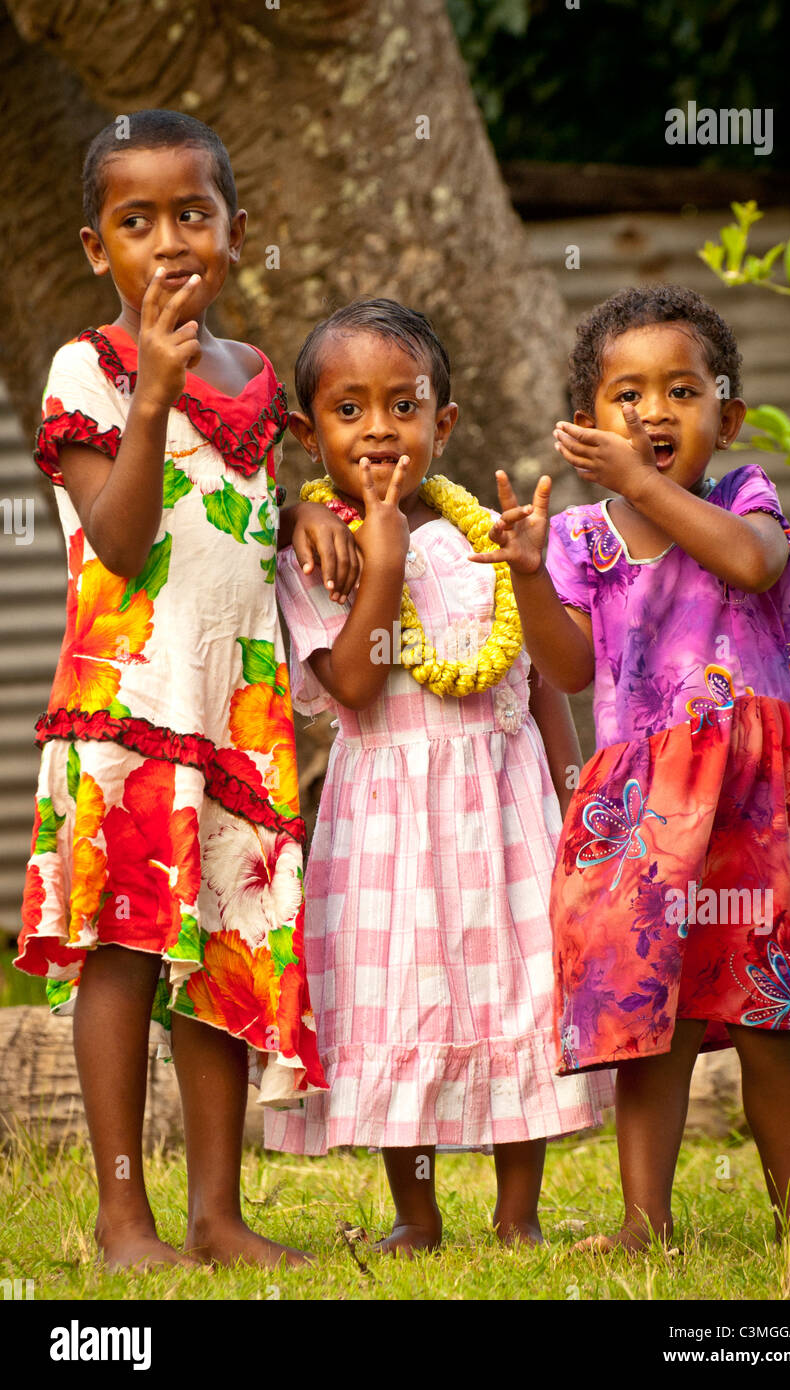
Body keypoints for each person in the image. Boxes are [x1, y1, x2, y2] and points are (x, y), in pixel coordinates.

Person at [14, 109, 360, 1271]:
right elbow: (115, 542)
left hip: (234, 713)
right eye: (136, 220)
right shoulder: (87, 368)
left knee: (226, 950)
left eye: (192, 214)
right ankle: (125, 1221)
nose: (168, 241)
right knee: (121, 951)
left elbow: (249, 504)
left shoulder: (256, 376)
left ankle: (218, 1214)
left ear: (233, 231)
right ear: (93, 244)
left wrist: (305, 505)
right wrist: (151, 392)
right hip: (130, 704)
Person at [473, 284, 790, 1251]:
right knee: (654, 1013)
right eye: (625, 395)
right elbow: (567, 669)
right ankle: (645, 1227)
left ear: (728, 415)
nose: (652, 411)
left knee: (768, 1009)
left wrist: (643, 485)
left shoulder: (745, 496)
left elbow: (754, 565)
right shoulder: (579, 538)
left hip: (751, 801)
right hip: (640, 803)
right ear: (585, 423)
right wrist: (522, 575)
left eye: (682, 391)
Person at [266, 297, 613, 1254]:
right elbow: (355, 681)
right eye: (348, 410)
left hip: (505, 811)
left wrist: (573, 785)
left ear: (443, 423)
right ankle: (415, 1216)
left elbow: (536, 680)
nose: (379, 429)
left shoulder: (488, 540)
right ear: (306, 432)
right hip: (387, 821)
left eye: (404, 406)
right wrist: (378, 560)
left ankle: (517, 1214)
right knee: (398, 1000)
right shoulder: (314, 551)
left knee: (520, 991)